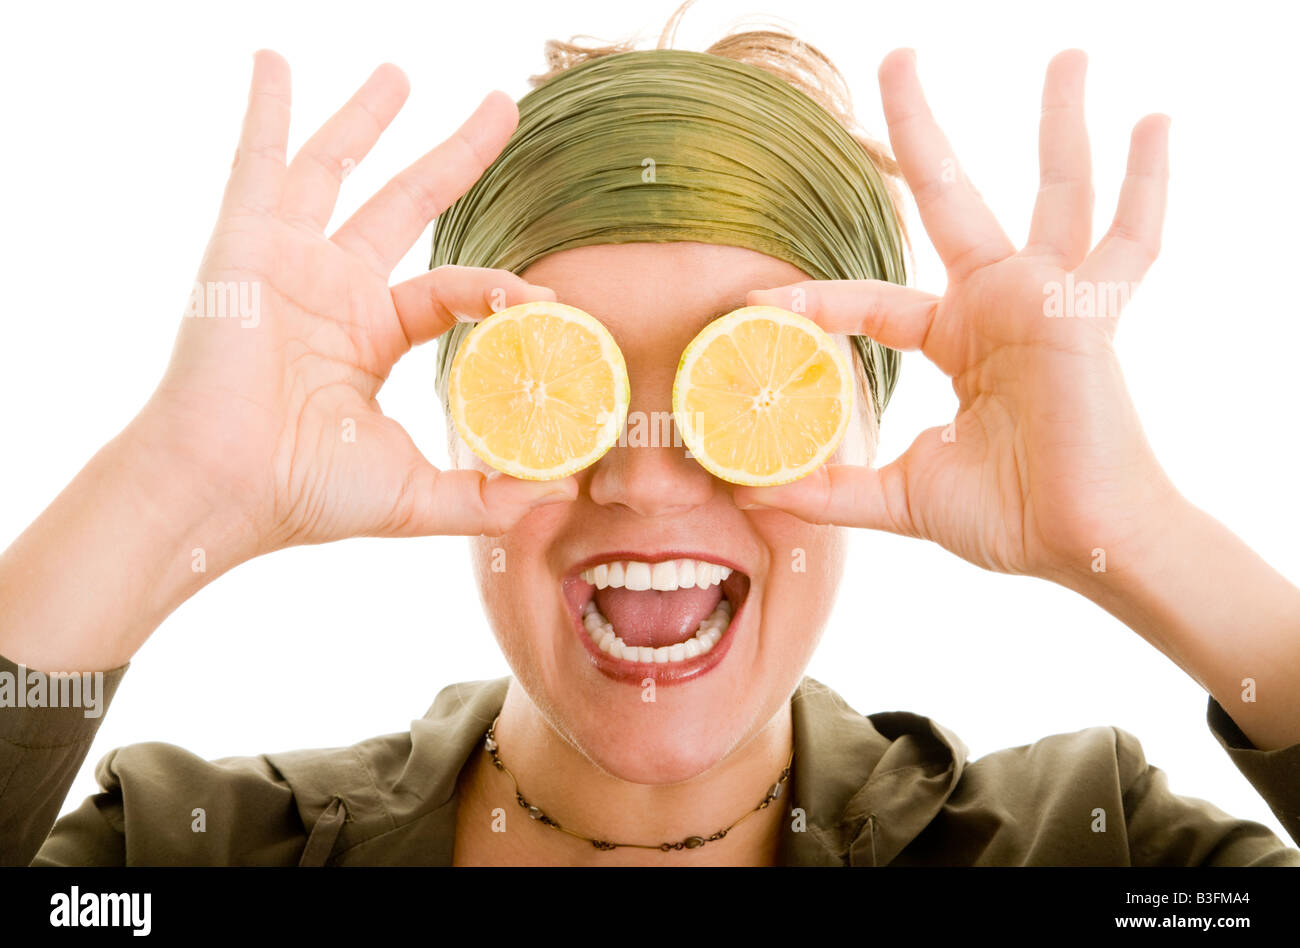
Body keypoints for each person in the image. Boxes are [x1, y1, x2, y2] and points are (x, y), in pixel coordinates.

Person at [1, 6, 1297, 867]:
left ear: (861, 420)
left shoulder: (1091, 850)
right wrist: (164, 493)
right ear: (464, 417)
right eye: (563, 378)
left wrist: (1141, 539)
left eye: (751, 387)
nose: (641, 473)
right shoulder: (190, 852)